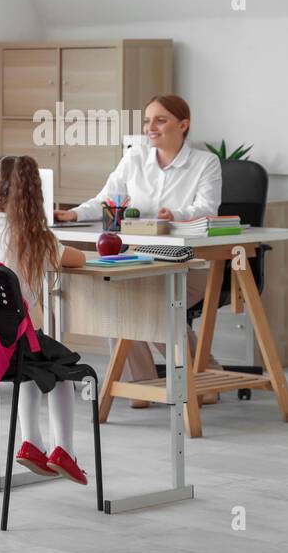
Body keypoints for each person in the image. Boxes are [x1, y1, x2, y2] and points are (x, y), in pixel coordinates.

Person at [55, 94, 223, 401]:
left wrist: (177, 215)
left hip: (190, 261)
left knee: (154, 304)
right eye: (147, 120)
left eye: (160, 120)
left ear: (183, 125)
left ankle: (203, 375)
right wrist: (74, 214)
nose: (150, 127)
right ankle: (142, 384)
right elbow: (107, 200)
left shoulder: (205, 163)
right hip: (140, 256)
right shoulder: (134, 158)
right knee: (116, 299)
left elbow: (207, 207)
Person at [0, 154, 89, 482]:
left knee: (31, 366)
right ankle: (65, 450)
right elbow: (77, 258)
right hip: (17, 345)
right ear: (30, 192)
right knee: (63, 369)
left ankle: (30, 441)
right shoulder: (35, 237)